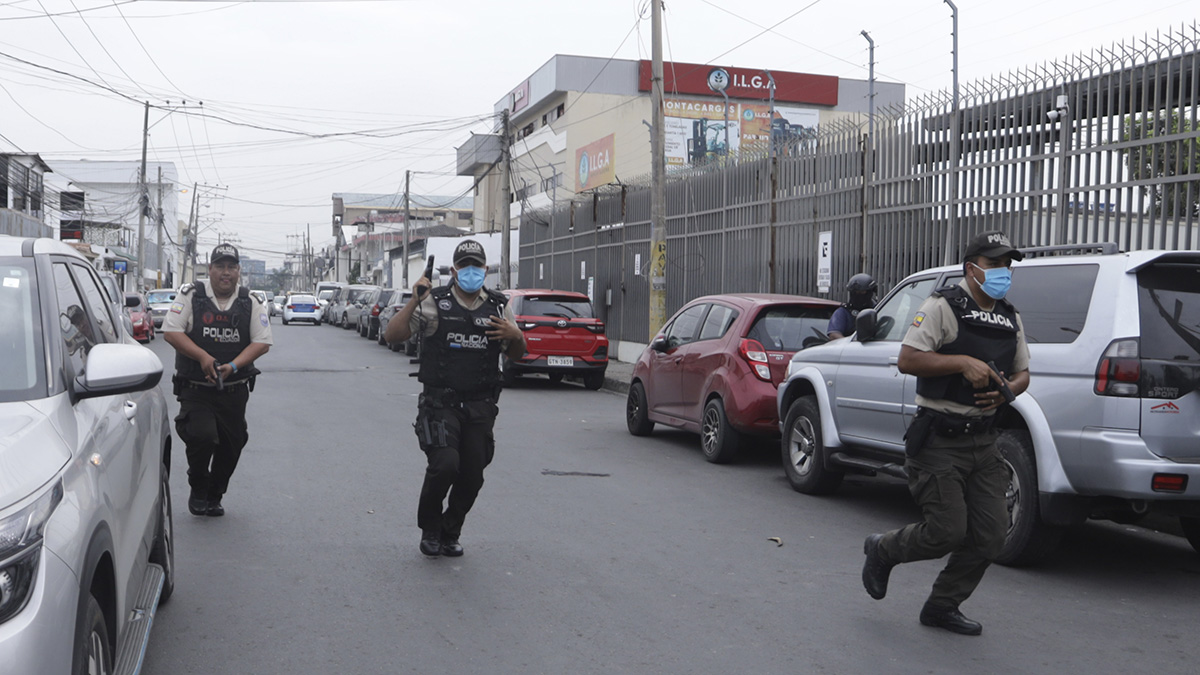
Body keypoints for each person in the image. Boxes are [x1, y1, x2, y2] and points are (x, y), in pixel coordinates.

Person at [860, 230, 1031, 636]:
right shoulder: (943, 307)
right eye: (995, 265)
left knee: (991, 538)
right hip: (939, 438)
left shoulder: (1009, 315)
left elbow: (1024, 373)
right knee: (946, 531)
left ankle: (941, 606)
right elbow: (907, 359)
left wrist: (1006, 393)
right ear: (972, 269)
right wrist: (961, 364)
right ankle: (882, 549)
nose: (1004, 272)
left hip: (985, 441)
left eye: (1008, 265)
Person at [384, 239, 525, 558]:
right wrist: (412, 301)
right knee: (445, 464)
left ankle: (451, 530)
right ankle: (430, 528)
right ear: (455, 270)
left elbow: (516, 352)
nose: (471, 271)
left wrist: (516, 337)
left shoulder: (499, 306)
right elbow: (392, 335)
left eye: (477, 266)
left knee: (473, 474)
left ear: (485, 270)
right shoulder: (434, 302)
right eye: (465, 266)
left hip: (480, 405)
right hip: (440, 403)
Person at [163, 244, 272, 517]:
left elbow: (262, 342)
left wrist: (233, 366)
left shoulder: (251, 301)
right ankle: (198, 486)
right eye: (220, 267)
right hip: (196, 389)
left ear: (238, 271)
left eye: (231, 267)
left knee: (232, 445)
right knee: (202, 435)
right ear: (209, 269)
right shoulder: (190, 296)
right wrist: (202, 357)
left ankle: (215, 494)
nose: (226, 273)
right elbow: (171, 331)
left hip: (234, 390)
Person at [827, 273, 877, 339]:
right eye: (855, 292)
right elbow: (834, 334)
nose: (858, 295)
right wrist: (850, 346)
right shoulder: (843, 312)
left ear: (870, 292)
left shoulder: (878, 309)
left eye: (862, 292)